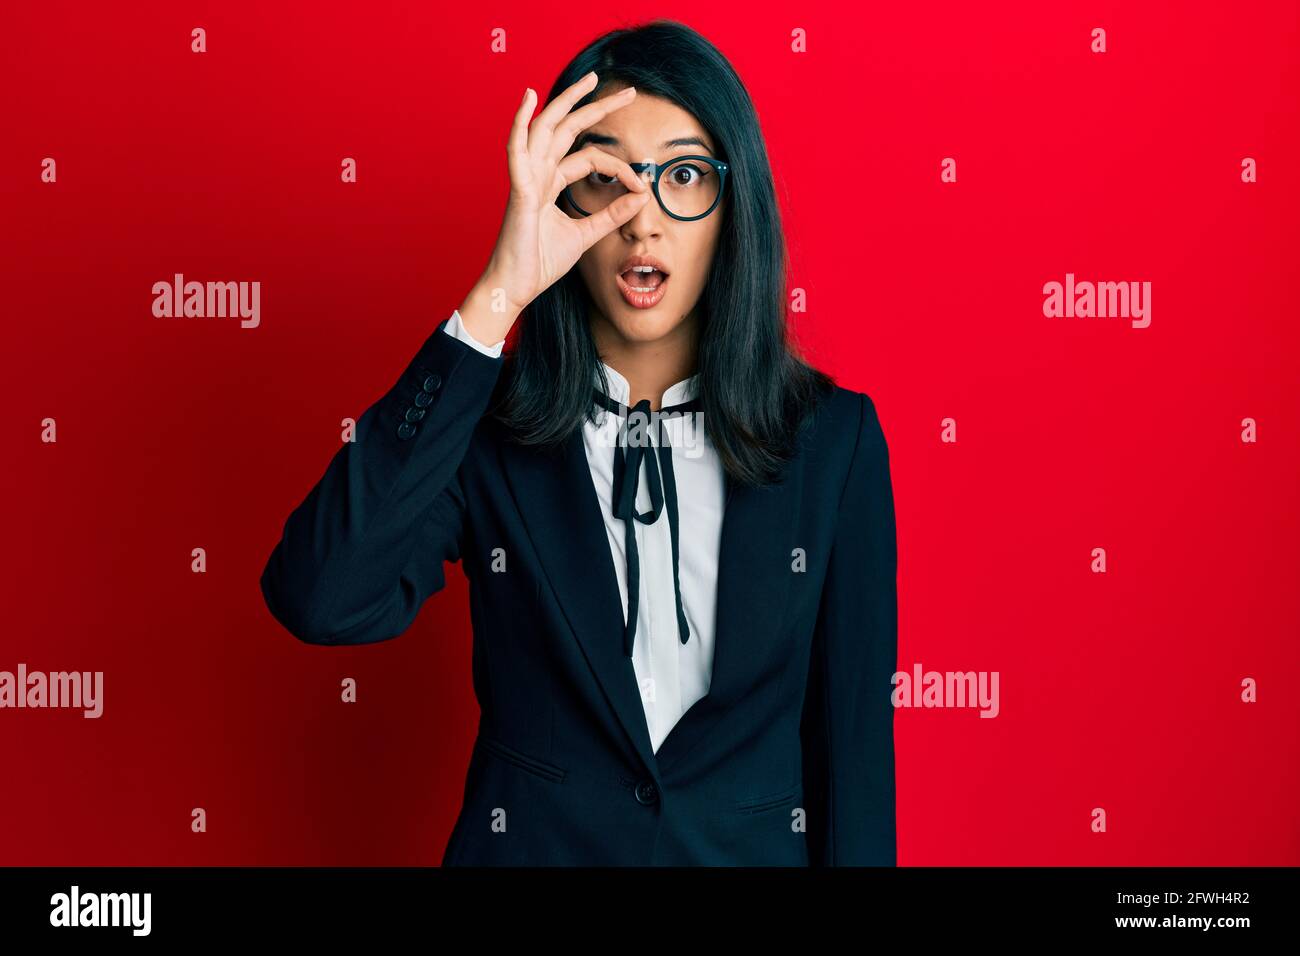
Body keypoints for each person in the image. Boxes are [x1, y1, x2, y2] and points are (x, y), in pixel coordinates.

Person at [260, 19, 898, 866]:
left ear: (732, 203)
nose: (644, 222)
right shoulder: (488, 431)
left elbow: (853, 765)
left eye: (682, 176)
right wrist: (498, 294)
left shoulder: (835, 442)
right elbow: (321, 595)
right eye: (606, 179)